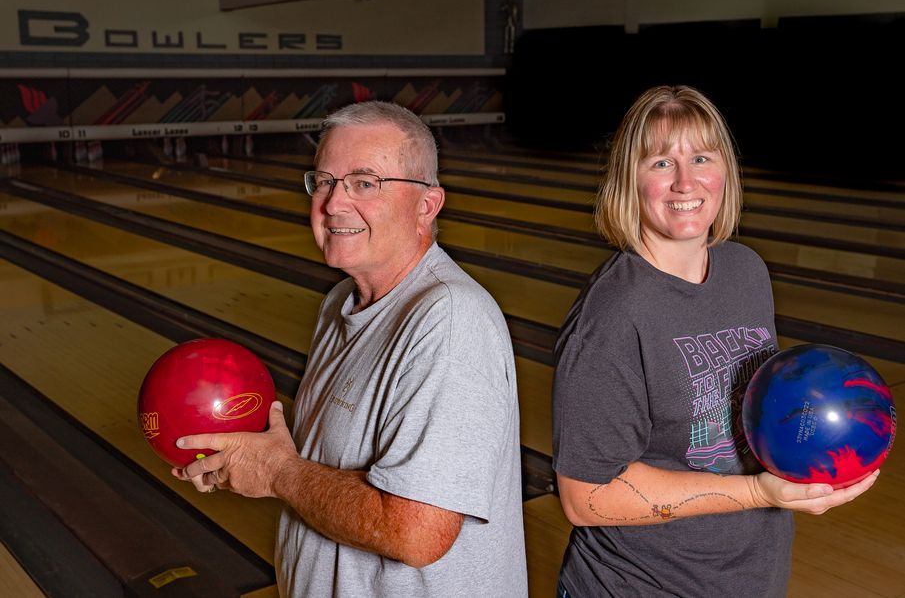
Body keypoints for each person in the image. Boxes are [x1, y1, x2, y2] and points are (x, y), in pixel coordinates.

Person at [173, 101, 528, 597]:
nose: (334, 203)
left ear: (427, 206)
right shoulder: (342, 301)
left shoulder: (449, 321)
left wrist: (278, 472)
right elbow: (325, 461)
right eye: (323, 181)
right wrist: (246, 456)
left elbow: (416, 532)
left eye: (365, 183)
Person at [551, 85, 878, 598]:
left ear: (724, 171)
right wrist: (756, 491)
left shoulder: (745, 271)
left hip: (750, 576)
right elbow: (584, 497)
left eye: (701, 157)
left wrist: (818, 457)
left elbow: (763, 415)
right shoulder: (613, 315)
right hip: (639, 586)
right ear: (628, 181)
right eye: (660, 163)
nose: (686, 181)